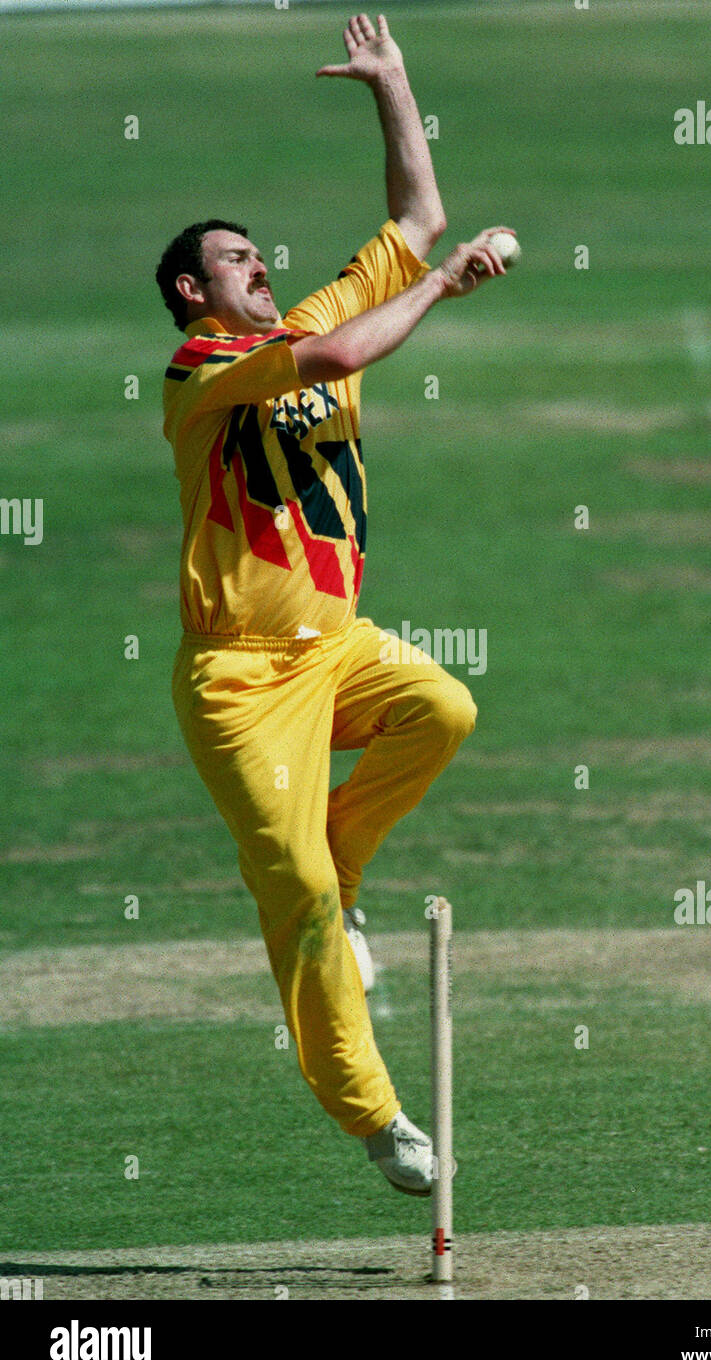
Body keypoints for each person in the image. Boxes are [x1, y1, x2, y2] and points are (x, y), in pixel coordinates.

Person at [155, 12, 510, 1196]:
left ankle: (348, 856)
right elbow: (335, 361)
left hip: (338, 650)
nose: (259, 267)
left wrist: (393, 82)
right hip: (239, 683)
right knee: (293, 892)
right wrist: (445, 294)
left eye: (260, 255)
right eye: (235, 259)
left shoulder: (311, 318)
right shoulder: (202, 371)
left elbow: (418, 221)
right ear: (190, 290)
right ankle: (374, 1117)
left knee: (444, 710)